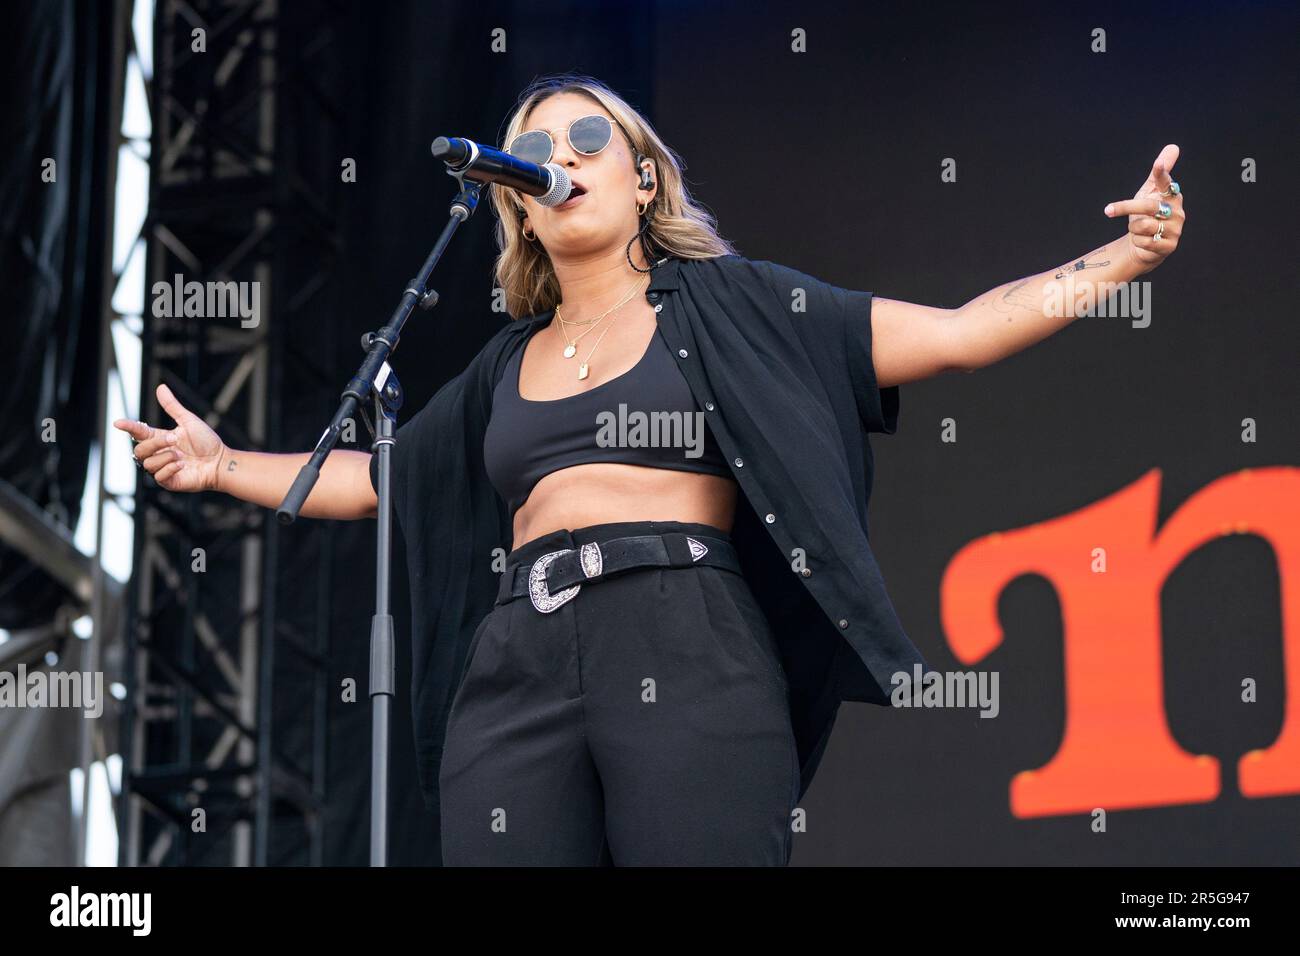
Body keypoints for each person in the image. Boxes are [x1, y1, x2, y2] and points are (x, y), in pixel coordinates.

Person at [114, 73, 1185, 866]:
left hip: (682, 630)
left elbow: (957, 332)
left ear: (643, 174)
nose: (561, 158)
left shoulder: (738, 304)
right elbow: (371, 477)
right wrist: (218, 466)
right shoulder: (503, 364)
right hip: (513, 659)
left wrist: (1122, 258)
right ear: (515, 199)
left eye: (589, 137)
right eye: (536, 150)